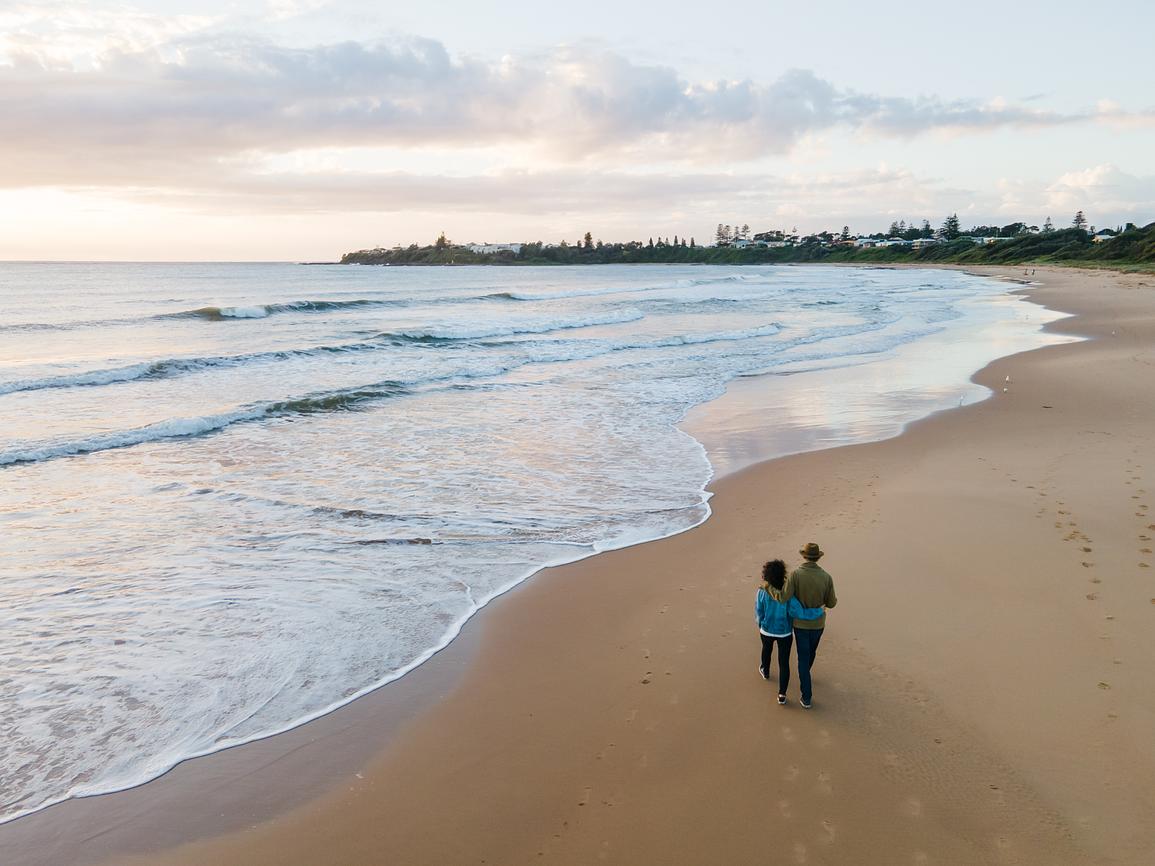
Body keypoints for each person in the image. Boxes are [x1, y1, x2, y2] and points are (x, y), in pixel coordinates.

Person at [755, 559, 825, 705]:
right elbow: (799, 612)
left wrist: (760, 623)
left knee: (766, 650)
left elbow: (759, 611)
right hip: (784, 633)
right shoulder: (788, 596)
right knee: (784, 663)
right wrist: (819, 611)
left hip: (766, 630)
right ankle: (782, 694)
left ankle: (765, 670)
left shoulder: (761, 591)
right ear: (783, 575)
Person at [782, 542, 838, 709]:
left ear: (804, 556)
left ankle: (806, 696)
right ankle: (805, 675)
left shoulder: (795, 575)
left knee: (803, 657)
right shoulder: (827, 577)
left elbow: (785, 597)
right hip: (818, 624)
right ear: (817, 558)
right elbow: (832, 603)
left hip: (800, 625)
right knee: (811, 652)